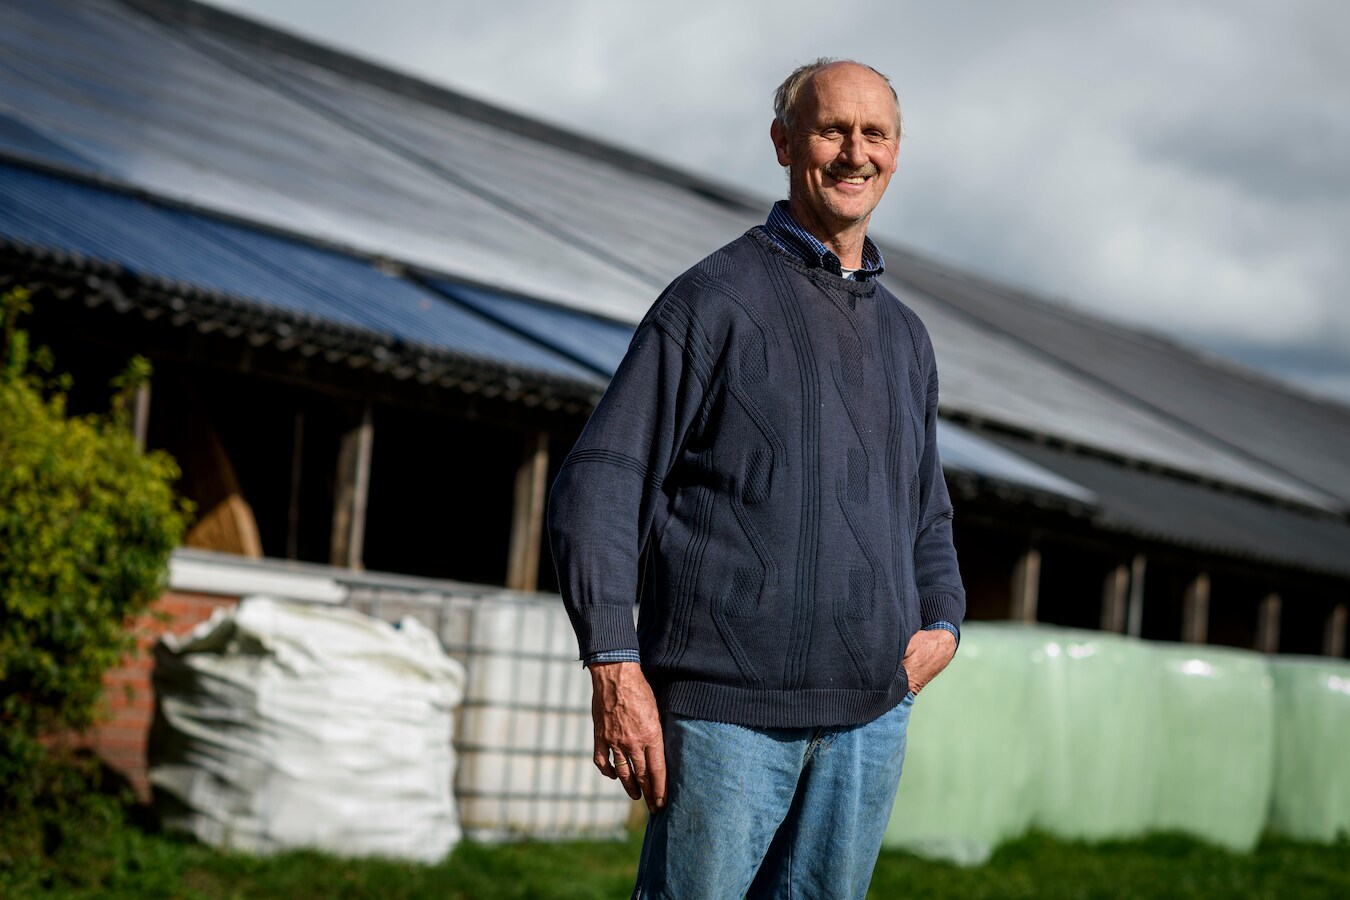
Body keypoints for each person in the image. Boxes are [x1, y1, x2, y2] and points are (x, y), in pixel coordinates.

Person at [548, 57, 965, 899]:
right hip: (726, 719)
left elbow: (926, 513)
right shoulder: (711, 302)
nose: (855, 153)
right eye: (831, 129)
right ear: (784, 142)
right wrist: (614, 661)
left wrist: (945, 621)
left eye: (874, 134)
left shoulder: (907, 338)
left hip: (869, 718)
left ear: (897, 152)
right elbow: (600, 481)